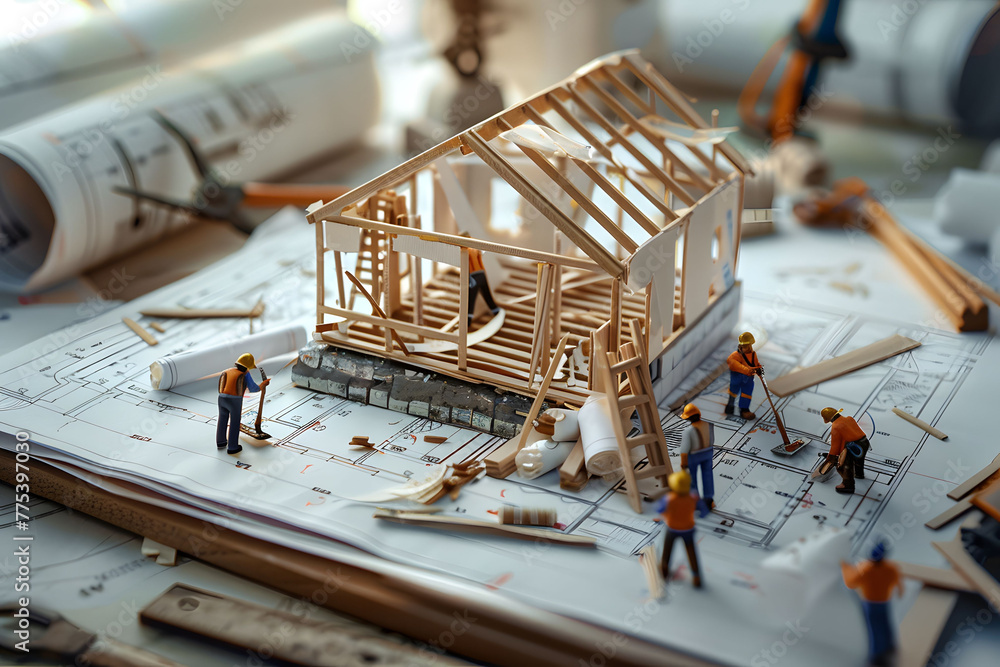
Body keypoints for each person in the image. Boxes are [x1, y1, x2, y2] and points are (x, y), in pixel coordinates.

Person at [842, 542, 903, 666]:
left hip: (870, 604)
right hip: (884, 601)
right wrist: (900, 592)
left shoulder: (866, 569)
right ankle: (889, 645)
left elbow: (850, 583)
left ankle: (876, 655)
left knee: (874, 629)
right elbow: (898, 583)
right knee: (885, 624)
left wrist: (845, 567)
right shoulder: (890, 568)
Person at [656, 470, 710, 588]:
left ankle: (664, 572)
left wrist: (665, 515)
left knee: (667, 551)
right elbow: (704, 511)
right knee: (691, 552)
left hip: (672, 529)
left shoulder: (669, 499)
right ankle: (696, 576)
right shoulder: (693, 497)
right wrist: (698, 516)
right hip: (688, 529)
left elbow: (659, 510)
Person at [217, 353, 269, 455]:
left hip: (221, 398)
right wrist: (262, 385)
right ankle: (232, 447)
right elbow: (253, 388)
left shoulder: (227, 371)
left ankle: (221, 441)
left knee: (222, 419)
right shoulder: (245, 374)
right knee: (235, 422)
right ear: (247, 367)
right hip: (234, 400)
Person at [821, 407, 870, 494]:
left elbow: (835, 446)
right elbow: (846, 437)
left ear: (827, 419)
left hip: (853, 447)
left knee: (844, 466)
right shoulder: (849, 418)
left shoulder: (835, 426)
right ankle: (859, 474)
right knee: (859, 461)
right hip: (864, 443)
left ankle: (848, 486)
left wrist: (831, 457)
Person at [678, 404, 715, 509]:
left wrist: (683, 464)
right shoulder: (709, 425)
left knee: (692, 479)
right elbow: (712, 440)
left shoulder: (688, 431)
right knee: (708, 476)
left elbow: (684, 449)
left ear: (688, 418)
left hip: (694, 456)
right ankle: (709, 500)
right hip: (708, 452)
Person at [726, 332, 763, 419]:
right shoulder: (736, 355)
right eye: (745, 346)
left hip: (749, 378)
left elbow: (756, 363)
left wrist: (759, 368)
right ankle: (730, 406)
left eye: (749, 345)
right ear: (741, 346)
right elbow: (731, 362)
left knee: (747, 393)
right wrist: (746, 370)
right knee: (734, 391)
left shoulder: (753, 354)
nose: (748, 348)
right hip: (737, 376)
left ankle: (744, 410)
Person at [466, 243, 499, 325]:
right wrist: (484, 273)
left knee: (471, 298)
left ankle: (468, 320)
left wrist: (468, 278)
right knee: (487, 294)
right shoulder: (475, 248)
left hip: (473, 275)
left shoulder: (464, 250)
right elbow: (480, 261)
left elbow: (466, 265)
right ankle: (495, 310)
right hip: (481, 273)